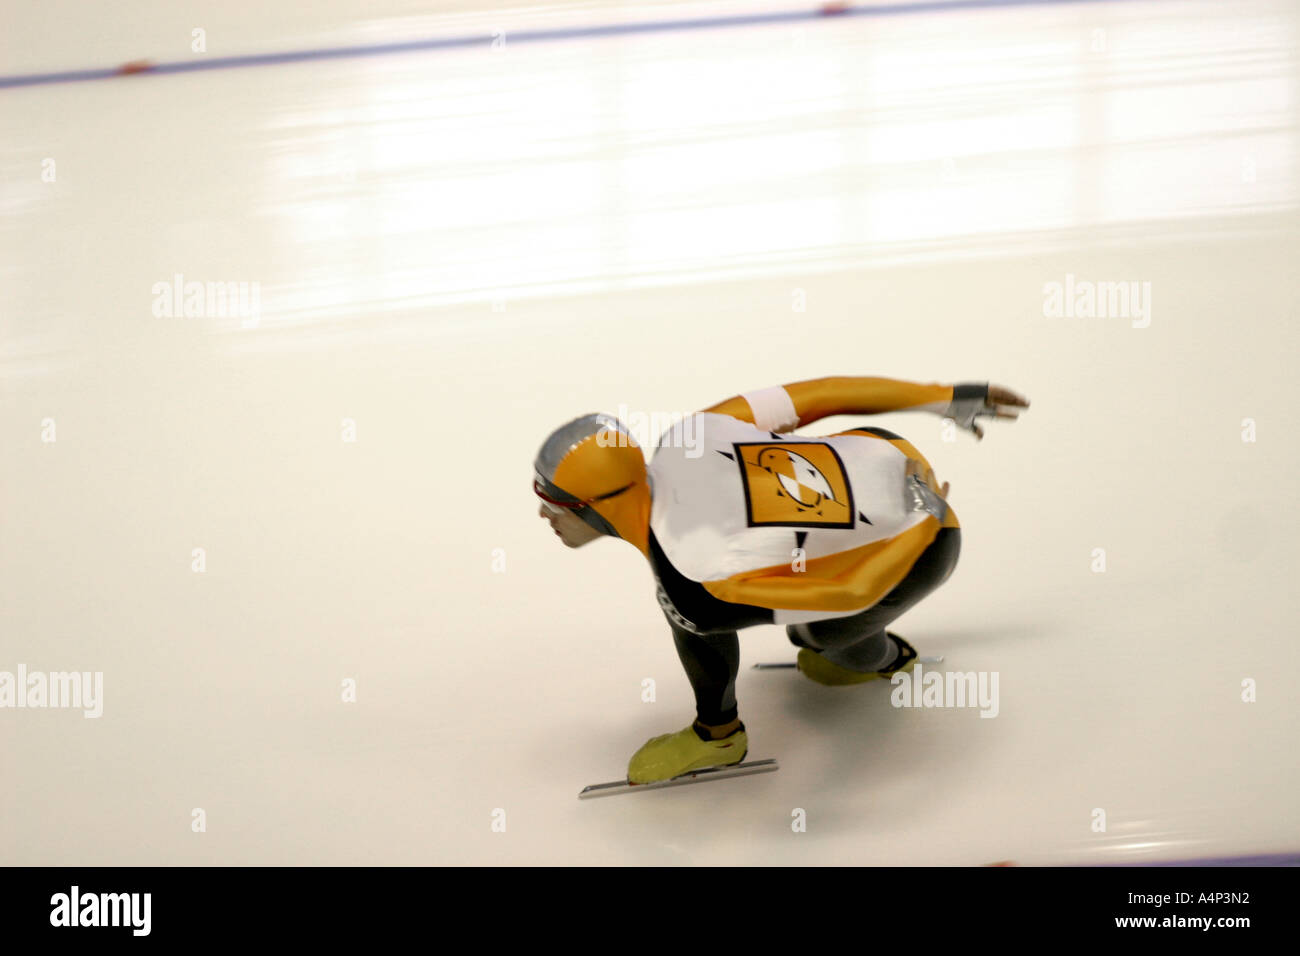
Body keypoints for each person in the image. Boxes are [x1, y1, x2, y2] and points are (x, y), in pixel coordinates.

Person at [534, 376, 1028, 784]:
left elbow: (849, 592)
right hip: (880, 449)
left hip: (922, 547)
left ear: (595, 506)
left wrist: (926, 520)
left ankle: (881, 658)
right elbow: (817, 395)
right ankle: (718, 730)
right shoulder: (690, 433)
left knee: (812, 631)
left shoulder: (700, 570)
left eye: (553, 502)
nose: (543, 514)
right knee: (690, 612)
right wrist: (941, 397)